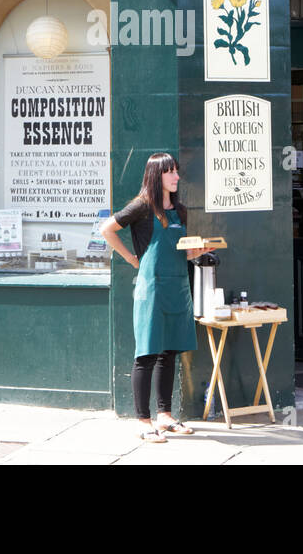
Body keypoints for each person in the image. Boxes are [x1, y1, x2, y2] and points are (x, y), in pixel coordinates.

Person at [100, 153, 212, 443]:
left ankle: (165, 416)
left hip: (177, 288)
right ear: (156, 176)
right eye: (170, 172)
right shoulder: (141, 207)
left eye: (176, 171)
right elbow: (107, 229)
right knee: (147, 354)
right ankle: (143, 420)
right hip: (151, 290)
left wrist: (195, 252)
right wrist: (129, 257)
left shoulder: (180, 210)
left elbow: (179, 250)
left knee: (169, 352)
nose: (176, 177)